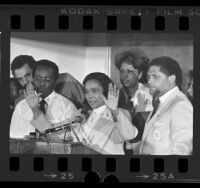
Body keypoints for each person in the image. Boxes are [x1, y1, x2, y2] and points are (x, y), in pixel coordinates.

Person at [30, 72, 138, 155]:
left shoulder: (120, 113)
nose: (89, 96)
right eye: (86, 91)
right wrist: (35, 109)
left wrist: (114, 111)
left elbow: (129, 135)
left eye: (94, 91)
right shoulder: (81, 114)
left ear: (106, 91)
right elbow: (52, 132)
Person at [137, 56, 193, 155]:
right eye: (149, 77)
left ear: (171, 78)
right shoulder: (161, 102)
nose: (149, 81)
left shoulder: (180, 105)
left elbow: (183, 148)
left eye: (155, 77)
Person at [10, 59, 77, 139]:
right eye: (38, 79)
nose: (41, 83)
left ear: (56, 80)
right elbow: (13, 139)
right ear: (33, 78)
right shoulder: (21, 106)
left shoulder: (67, 107)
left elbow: (71, 140)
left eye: (47, 80)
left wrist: (35, 109)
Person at [11, 55, 85, 109]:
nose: (25, 82)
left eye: (28, 75)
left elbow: (90, 108)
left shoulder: (66, 81)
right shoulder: (20, 102)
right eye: (20, 79)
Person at [115, 48, 153, 145]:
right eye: (122, 71)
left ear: (139, 74)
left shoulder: (149, 94)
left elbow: (146, 128)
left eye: (129, 71)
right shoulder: (116, 95)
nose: (124, 75)